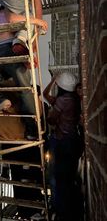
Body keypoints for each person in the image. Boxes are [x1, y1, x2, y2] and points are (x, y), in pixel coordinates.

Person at [0, 6, 47, 140]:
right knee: (26, 90)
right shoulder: (11, 10)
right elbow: (12, 18)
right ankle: (32, 130)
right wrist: (38, 21)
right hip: (10, 49)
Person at [46, 72, 83, 221]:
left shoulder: (61, 101)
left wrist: (53, 80)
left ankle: (59, 210)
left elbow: (51, 120)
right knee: (69, 176)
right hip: (73, 141)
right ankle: (68, 208)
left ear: (60, 86)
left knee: (56, 177)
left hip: (60, 142)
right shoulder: (75, 99)